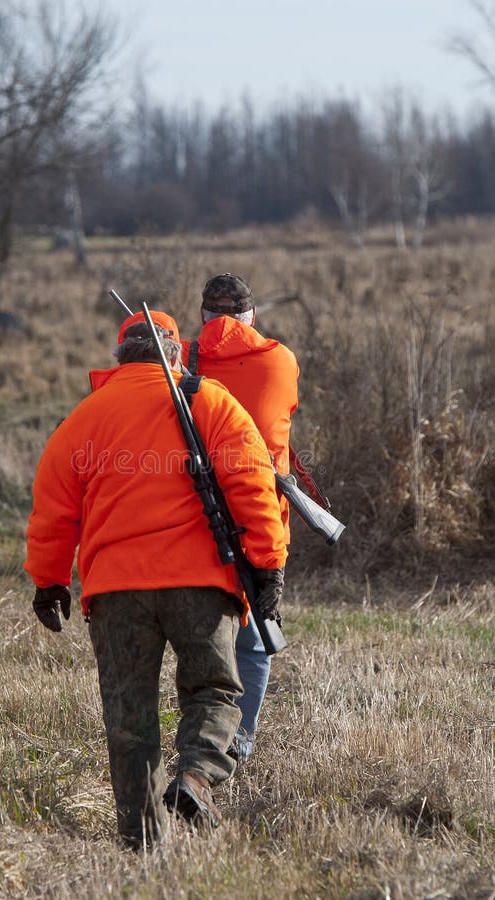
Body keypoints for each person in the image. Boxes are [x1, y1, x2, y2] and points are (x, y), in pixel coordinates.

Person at [25, 311, 287, 849]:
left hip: (117, 590)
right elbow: (253, 485)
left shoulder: (86, 417)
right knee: (213, 690)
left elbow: (54, 508)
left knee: (130, 716)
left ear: (119, 360)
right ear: (176, 354)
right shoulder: (210, 402)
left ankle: (142, 839)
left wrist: (49, 582)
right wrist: (269, 565)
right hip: (201, 585)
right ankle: (195, 776)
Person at [181, 273, 299, 763]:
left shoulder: (182, 362)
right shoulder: (281, 360)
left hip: (194, 514)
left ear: (205, 315)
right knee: (253, 641)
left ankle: (200, 740)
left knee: (200, 639)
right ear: (252, 315)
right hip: (262, 513)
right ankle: (241, 740)